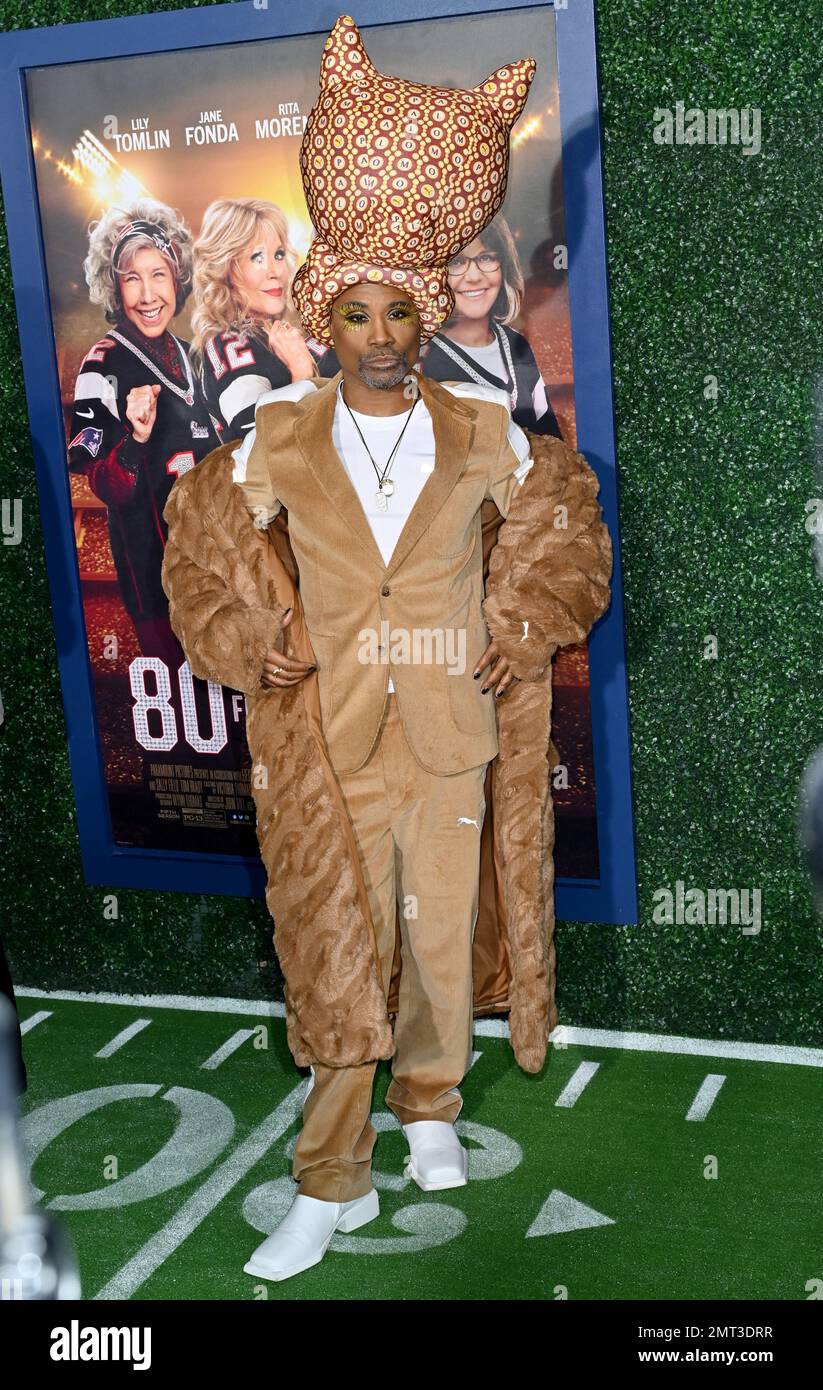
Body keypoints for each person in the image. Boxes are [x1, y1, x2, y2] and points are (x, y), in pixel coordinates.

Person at [160, 14, 612, 1284]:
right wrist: (256, 631)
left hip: (452, 738)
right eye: (353, 312)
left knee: (433, 943)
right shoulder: (276, 438)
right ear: (329, 315)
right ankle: (327, 1176)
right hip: (330, 737)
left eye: (398, 312)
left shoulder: (486, 432)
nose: (377, 332)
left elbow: (565, 527)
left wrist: (520, 624)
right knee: (337, 944)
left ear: (423, 317)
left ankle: (429, 1111)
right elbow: (199, 541)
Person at [67, 198, 221, 670]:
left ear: (178, 278)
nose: (148, 294)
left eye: (158, 275)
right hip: (156, 578)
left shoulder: (195, 353)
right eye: (133, 278)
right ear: (115, 286)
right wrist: (134, 440)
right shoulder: (102, 364)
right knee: (186, 695)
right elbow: (104, 486)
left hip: (218, 564)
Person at [189, 198, 340, 442]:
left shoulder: (283, 334)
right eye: (257, 257)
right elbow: (264, 450)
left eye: (278, 255)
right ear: (225, 268)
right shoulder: (231, 347)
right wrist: (302, 373)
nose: (275, 271)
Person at [418, 216, 563, 438]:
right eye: (456, 262)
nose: (474, 276)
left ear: (504, 265)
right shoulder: (422, 358)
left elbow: (551, 441)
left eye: (486, 258)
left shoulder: (516, 343)